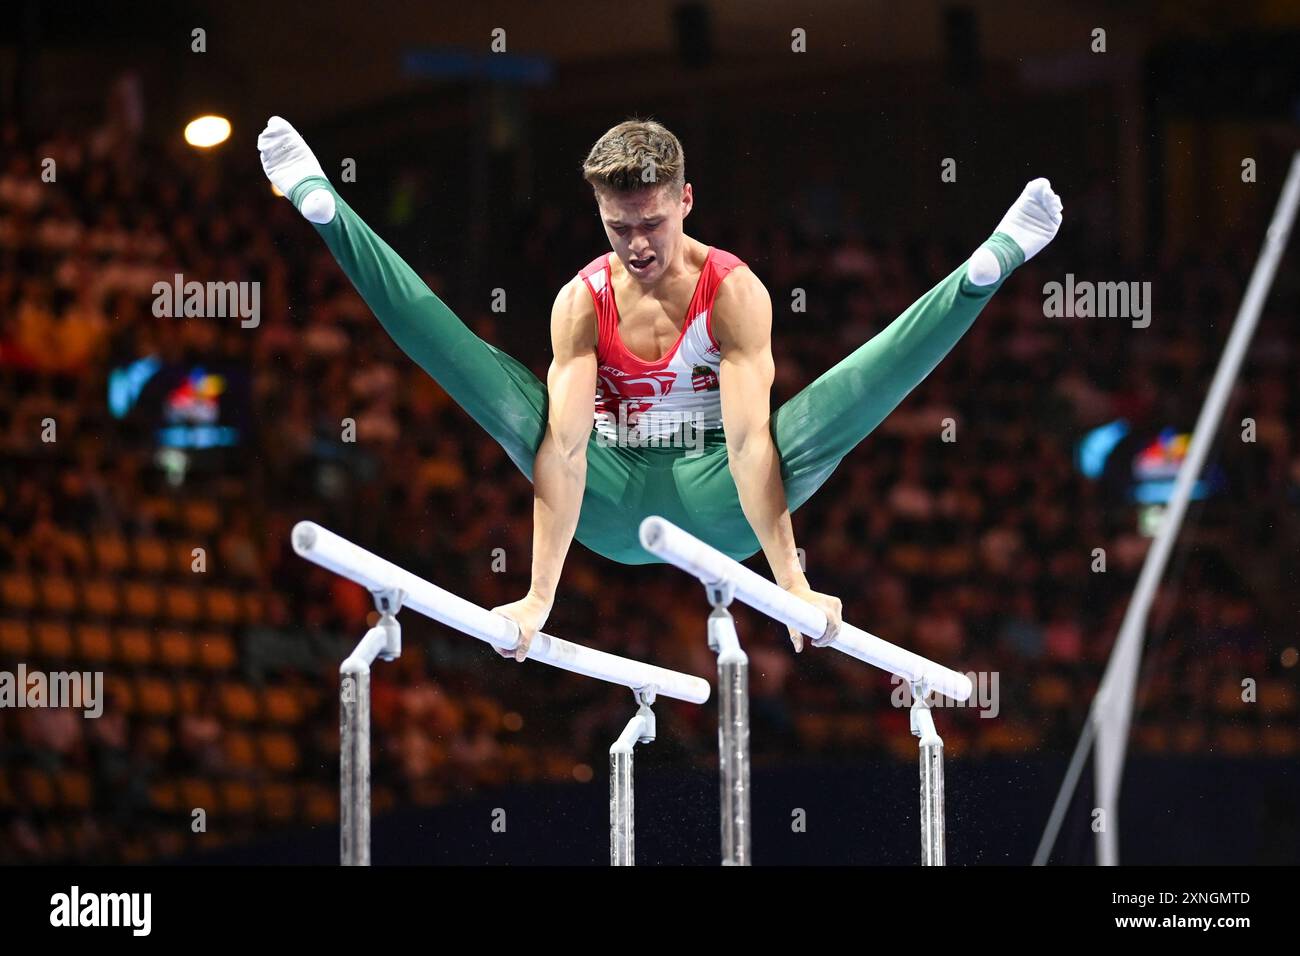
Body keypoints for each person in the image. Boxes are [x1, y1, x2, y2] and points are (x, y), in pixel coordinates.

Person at [258, 116, 1061, 660]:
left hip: (720, 504)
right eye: (618, 227)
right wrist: (538, 599)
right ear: (598, 212)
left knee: (820, 417)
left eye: (651, 222)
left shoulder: (733, 291)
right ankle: (329, 212)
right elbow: (565, 449)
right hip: (609, 497)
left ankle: (982, 272)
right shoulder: (581, 300)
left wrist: (791, 586)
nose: (638, 245)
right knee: (494, 387)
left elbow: (748, 445)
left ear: (685, 200)